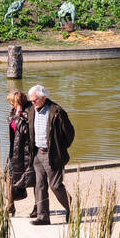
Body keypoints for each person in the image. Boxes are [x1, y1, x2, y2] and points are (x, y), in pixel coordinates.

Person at [26, 84, 74, 225]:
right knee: (39, 185)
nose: (33, 103)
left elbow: (69, 133)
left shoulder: (56, 111)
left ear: (43, 98)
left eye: (35, 100)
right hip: (37, 153)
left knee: (55, 185)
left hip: (52, 154)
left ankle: (72, 208)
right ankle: (43, 217)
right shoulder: (31, 110)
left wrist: (60, 148)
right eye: (31, 100)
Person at [5, 90, 35, 216]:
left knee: (35, 180)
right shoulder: (14, 111)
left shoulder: (30, 112)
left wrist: (18, 115)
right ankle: (10, 205)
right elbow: (11, 123)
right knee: (9, 177)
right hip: (15, 151)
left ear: (17, 102)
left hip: (27, 151)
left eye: (12, 102)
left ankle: (38, 206)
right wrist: (16, 114)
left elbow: (23, 130)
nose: (11, 105)